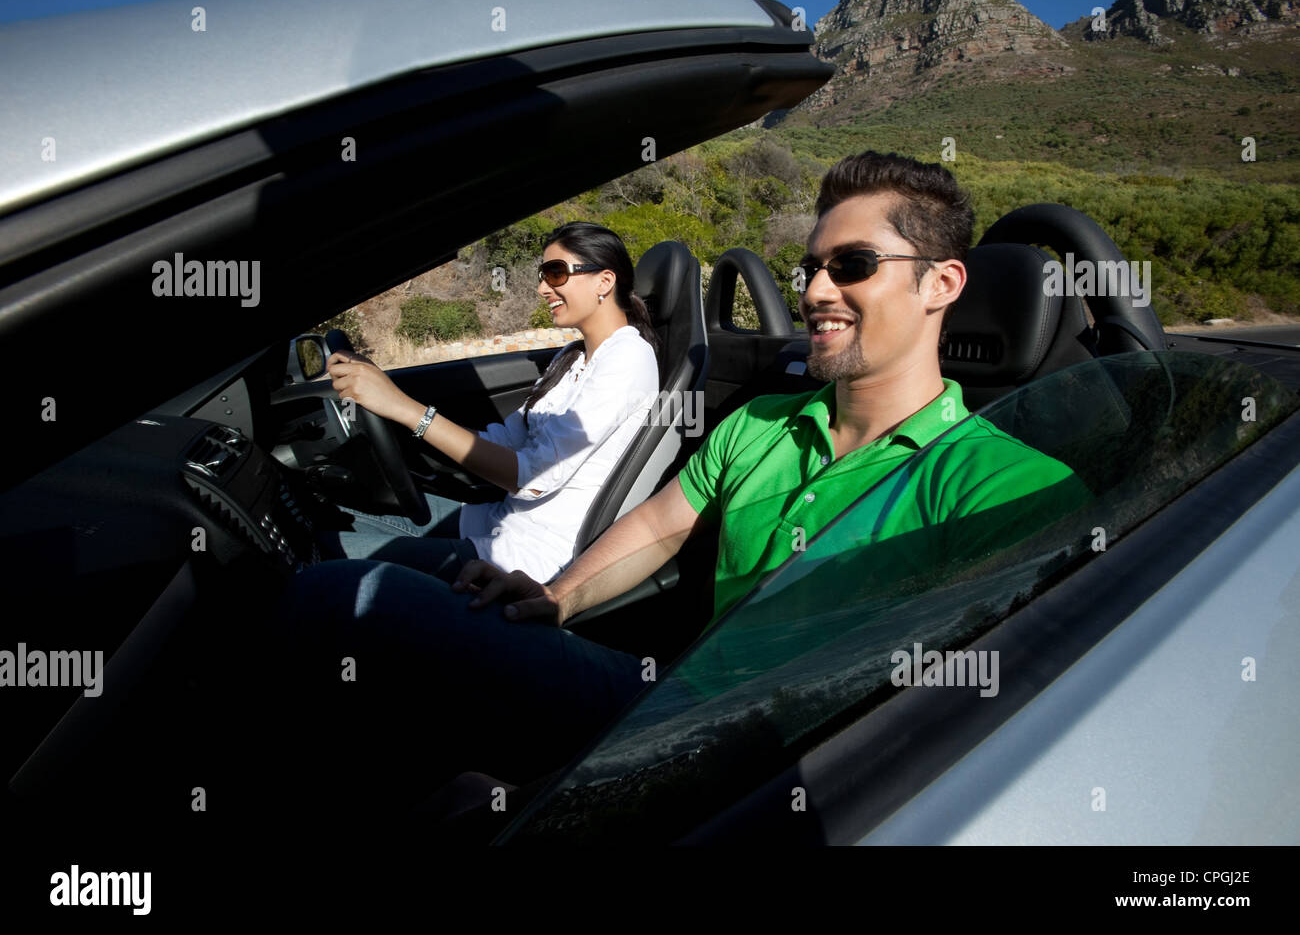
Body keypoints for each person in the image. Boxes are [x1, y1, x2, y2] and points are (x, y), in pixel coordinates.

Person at [269, 151, 1092, 808]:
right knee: (357, 602)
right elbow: (661, 523)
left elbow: (993, 715)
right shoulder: (762, 421)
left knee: (351, 610)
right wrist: (558, 596)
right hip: (664, 698)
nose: (814, 291)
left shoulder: (1007, 486)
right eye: (810, 266)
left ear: (942, 284)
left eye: (853, 265)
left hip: (785, 771)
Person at [316, 221, 660, 584]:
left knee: (323, 565)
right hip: (500, 521)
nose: (543, 288)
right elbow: (504, 440)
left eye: (556, 273)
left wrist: (404, 408)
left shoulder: (627, 359)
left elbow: (532, 478)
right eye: (542, 274)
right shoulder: (572, 358)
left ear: (604, 282)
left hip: (527, 556)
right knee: (329, 519)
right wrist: (399, 410)